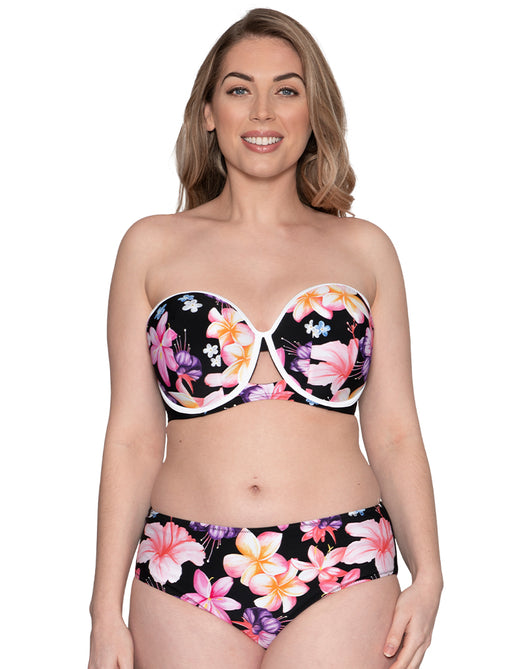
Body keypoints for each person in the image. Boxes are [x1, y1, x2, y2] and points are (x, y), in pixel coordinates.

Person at [88, 8, 442, 669]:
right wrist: (103, 610)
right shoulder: (150, 247)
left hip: (343, 562)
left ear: (313, 113)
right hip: (182, 566)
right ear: (208, 113)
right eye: (238, 89)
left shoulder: (366, 249)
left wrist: (430, 575)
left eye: (286, 89)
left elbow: (394, 429)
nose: (262, 112)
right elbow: (132, 436)